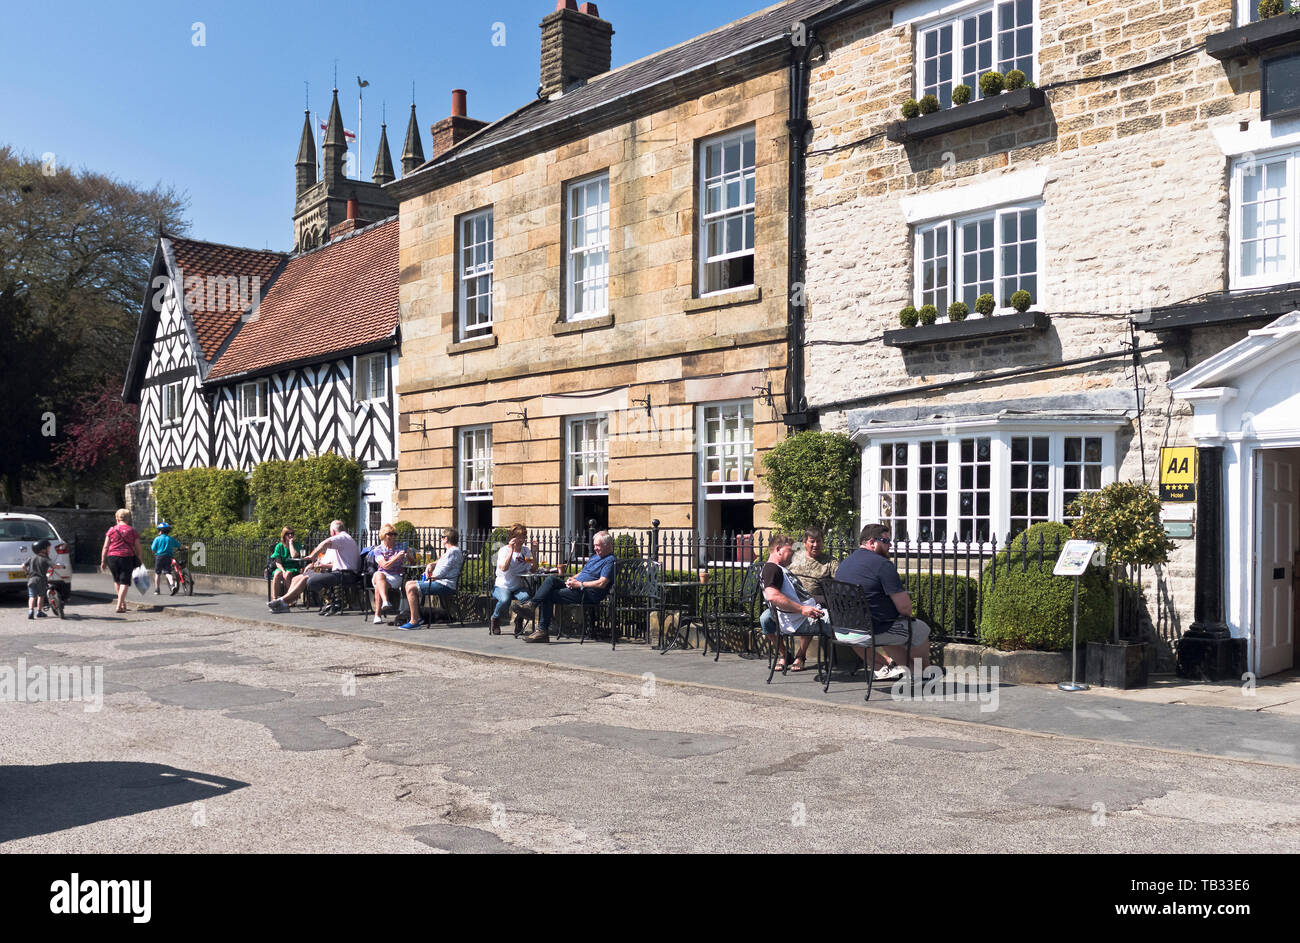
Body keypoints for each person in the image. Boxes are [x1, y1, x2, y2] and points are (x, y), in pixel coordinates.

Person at [833, 523, 931, 680]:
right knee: (919, 629)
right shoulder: (883, 564)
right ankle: (925, 671)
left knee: (891, 631)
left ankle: (915, 672)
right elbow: (905, 608)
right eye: (885, 541)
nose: (890, 545)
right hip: (868, 632)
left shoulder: (844, 564)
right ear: (872, 542)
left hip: (842, 631)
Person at [519, 530, 617, 644]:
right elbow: (583, 573)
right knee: (551, 579)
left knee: (548, 595)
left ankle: (541, 630)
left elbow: (602, 583)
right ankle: (532, 605)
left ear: (607, 545)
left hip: (588, 593)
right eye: (594, 545)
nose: (595, 548)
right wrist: (573, 579)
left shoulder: (610, 560)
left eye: (598, 545)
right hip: (577, 586)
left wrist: (580, 584)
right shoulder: (596, 557)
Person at [758, 534, 830, 672]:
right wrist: (802, 609)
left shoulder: (778, 568)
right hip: (802, 619)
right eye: (790, 550)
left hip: (804, 612)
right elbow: (772, 596)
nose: (793, 554)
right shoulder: (772, 568)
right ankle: (878, 663)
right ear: (779, 549)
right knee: (844, 622)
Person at [266, 519, 361, 613]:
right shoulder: (340, 543)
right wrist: (313, 564)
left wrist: (313, 556)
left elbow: (325, 545)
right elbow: (330, 560)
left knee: (308, 579)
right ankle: (285, 603)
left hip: (344, 574)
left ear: (332, 531)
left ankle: (283, 601)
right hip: (334, 571)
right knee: (297, 578)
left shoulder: (342, 538)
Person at [399, 529, 465, 630]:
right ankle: (418, 618)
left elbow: (441, 572)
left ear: (446, 539)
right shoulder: (452, 551)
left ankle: (414, 621)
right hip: (440, 581)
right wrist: (432, 564)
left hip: (445, 584)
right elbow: (442, 563)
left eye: (442, 537)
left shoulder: (453, 552)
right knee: (408, 583)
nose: (441, 539)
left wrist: (429, 575)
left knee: (411, 587)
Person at [490, 524, 536, 635]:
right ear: (512, 538)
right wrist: (511, 551)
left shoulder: (525, 551)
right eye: (518, 537)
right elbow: (504, 568)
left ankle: (519, 621)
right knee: (505, 600)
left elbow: (533, 569)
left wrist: (534, 552)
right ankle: (495, 618)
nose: (521, 540)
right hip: (502, 585)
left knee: (526, 599)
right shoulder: (504, 551)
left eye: (523, 537)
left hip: (517, 586)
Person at [101, 508, 146, 614]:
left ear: (117, 518)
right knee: (125, 581)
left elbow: (105, 547)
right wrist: (140, 559)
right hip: (126, 557)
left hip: (112, 557)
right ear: (128, 518)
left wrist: (103, 561)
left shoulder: (111, 530)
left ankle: (122, 603)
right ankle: (119, 605)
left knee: (117, 580)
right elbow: (138, 547)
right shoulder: (132, 531)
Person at [369, 523, 409, 624]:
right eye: (390, 534)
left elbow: (413, 562)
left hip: (395, 576)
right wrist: (396, 557)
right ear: (383, 535)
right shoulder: (378, 550)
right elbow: (385, 566)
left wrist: (408, 556)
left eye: (394, 534)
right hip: (382, 574)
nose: (393, 537)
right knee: (379, 575)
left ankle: (378, 614)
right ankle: (385, 601)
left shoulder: (401, 546)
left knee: (379, 584)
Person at [789, 526, 835, 606]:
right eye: (812, 541)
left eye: (818, 541)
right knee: (765, 617)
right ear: (804, 543)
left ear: (823, 542)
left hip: (817, 606)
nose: (815, 545)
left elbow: (840, 585)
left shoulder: (830, 562)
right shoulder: (794, 558)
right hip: (792, 603)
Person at [24, 539, 58, 620]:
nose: (49, 550)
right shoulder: (46, 559)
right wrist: (62, 566)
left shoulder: (31, 558)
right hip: (41, 580)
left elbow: (23, 566)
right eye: (48, 548)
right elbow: (54, 566)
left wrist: (27, 573)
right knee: (41, 596)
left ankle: (30, 611)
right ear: (43, 549)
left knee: (32, 596)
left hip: (31, 579)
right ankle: (39, 612)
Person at [269, 526, 304, 599]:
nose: (290, 535)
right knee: (277, 574)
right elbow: (278, 562)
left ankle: (290, 598)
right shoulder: (279, 546)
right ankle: (274, 598)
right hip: (282, 567)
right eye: (288, 534)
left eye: (292, 533)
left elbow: (294, 555)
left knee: (287, 574)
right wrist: (283, 570)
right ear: (284, 535)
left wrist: (291, 543)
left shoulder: (297, 544)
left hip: (293, 567)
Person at [151, 522, 182, 595]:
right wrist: (186, 547)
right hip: (168, 557)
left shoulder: (157, 539)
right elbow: (179, 545)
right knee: (168, 572)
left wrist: (157, 550)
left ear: (160, 531)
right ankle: (172, 586)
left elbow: (153, 548)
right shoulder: (171, 539)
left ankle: (157, 590)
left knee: (157, 573)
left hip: (159, 557)